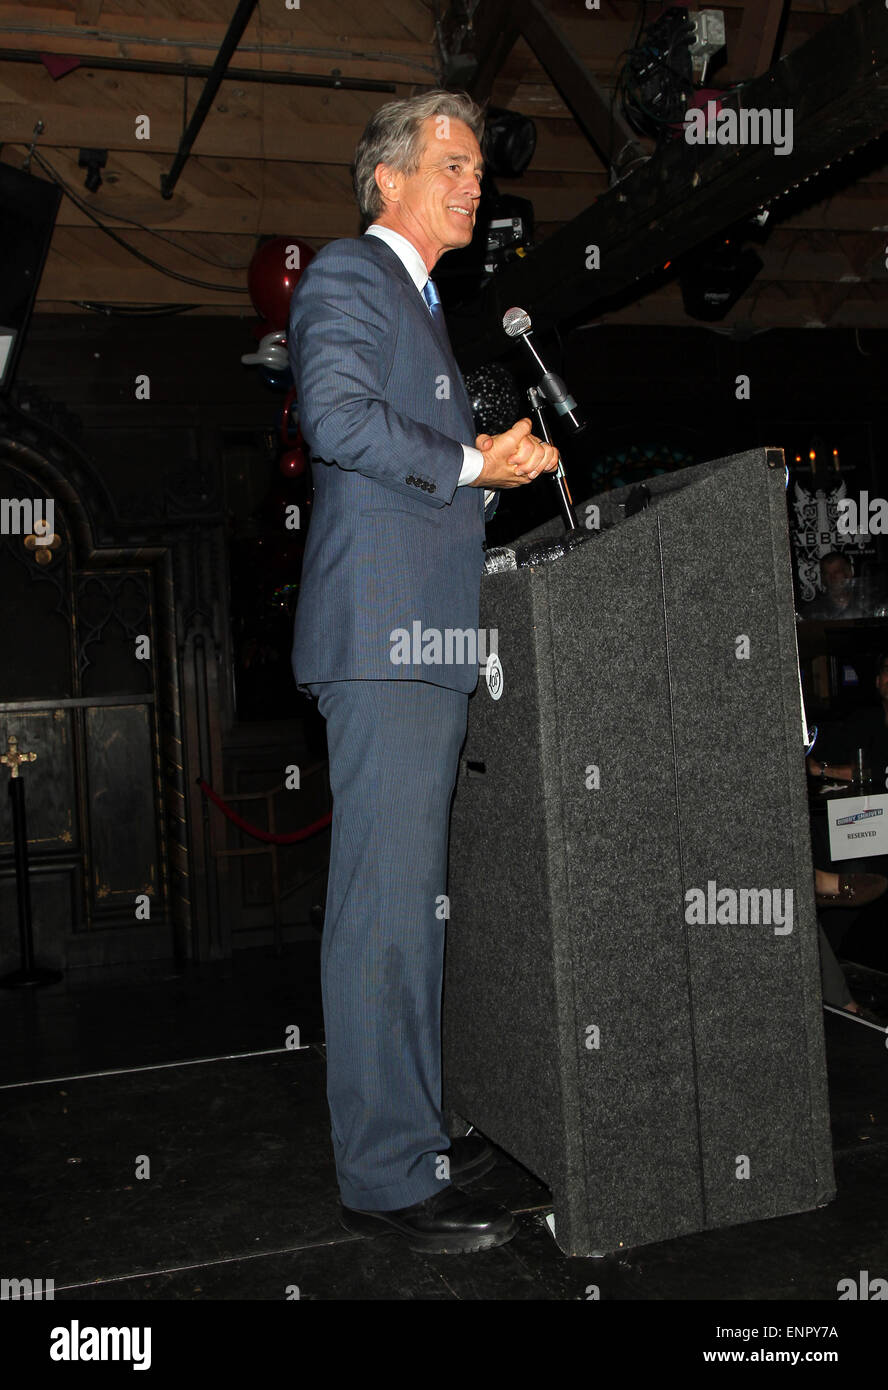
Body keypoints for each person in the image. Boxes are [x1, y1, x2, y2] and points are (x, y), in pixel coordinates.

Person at [288, 91, 560, 1254]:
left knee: (415, 904)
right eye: (450, 162)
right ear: (387, 179)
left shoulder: (426, 304)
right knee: (386, 911)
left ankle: (425, 1132)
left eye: (479, 168)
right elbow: (338, 417)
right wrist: (472, 463)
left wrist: (489, 475)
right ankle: (388, 1176)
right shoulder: (352, 274)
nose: (473, 181)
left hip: (426, 643)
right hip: (386, 641)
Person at [802, 551, 866, 620]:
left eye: (837, 572)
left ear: (849, 572)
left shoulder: (866, 604)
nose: (832, 578)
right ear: (822, 578)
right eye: (827, 574)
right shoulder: (813, 612)